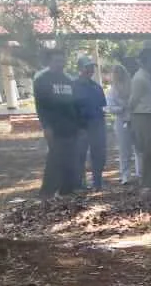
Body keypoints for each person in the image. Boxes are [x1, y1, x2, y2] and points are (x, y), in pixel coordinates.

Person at [34, 49, 83, 198]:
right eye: (56, 61)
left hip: (71, 127)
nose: (60, 64)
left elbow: (76, 105)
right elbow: (41, 106)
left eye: (62, 61)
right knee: (55, 159)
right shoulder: (42, 80)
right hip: (54, 128)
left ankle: (67, 190)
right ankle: (47, 192)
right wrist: (46, 126)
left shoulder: (69, 80)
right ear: (50, 62)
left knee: (71, 159)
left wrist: (80, 125)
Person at [73, 56, 108, 190]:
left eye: (92, 67)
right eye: (87, 67)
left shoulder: (96, 87)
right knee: (79, 156)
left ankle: (97, 182)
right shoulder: (73, 86)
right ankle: (80, 183)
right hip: (80, 127)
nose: (90, 70)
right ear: (80, 69)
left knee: (99, 155)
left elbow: (101, 106)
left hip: (97, 126)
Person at [128, 48, 151, 189]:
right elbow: (133, 101)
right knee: (147, 150)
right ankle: (146, 182)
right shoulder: (139, 78)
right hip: (143, 116)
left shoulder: (147, 76)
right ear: (147, 61)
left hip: (150, 115)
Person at [105, 64, 140, 185]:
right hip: (121, 121)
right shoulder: (112, 90)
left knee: (139, 148)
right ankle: (125, 175)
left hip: (135, 120)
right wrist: (122, 107)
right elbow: (110, 107)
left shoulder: (132, 86)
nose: (119, 74)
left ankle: (140, 173)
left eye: (120, 72)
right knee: (125, 150)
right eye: (116, 72)